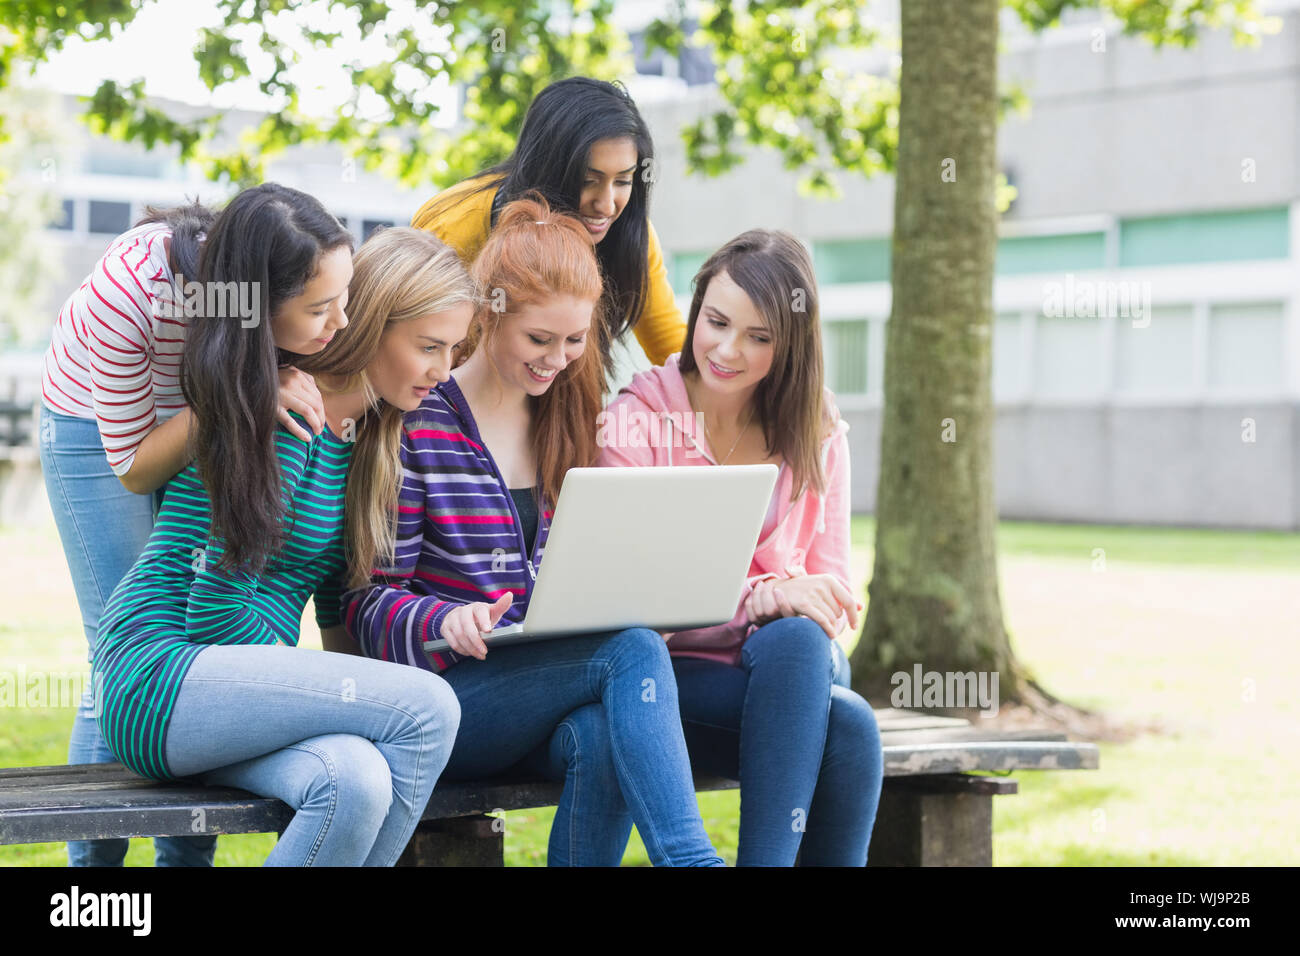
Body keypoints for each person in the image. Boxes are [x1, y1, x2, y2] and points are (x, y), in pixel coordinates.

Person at [92, 185, 468, 866]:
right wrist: (327, 695)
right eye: (429, 347)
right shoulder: (284, 416)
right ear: (377, 327)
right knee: (428, 710)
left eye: (454, 351)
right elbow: (213, 613)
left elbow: (333, 609)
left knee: (354, 780)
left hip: (223, 693)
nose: (445, 374)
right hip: (162, 674)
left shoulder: (365, 438)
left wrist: (335, 691)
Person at [344, 194, 724, 866]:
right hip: (449, 701)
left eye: (575, 341)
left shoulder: (564, 424)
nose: (557, 359)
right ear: (488, 315)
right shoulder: (419, 423)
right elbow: (369, 599)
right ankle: (690, 861)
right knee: (631, 650)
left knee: (608, 729)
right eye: (538, 339)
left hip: (543, 696)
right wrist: (445, 620)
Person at [39, 197, 327, 867]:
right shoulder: (128, 294)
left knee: (197, 650)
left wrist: (254, 382)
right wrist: (243, 392)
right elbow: (136, 465)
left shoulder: (258, 280)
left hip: (205, 406)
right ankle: (94, 883)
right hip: (95, 431)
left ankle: (186, 863)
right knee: (123, 647)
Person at [596, 229, 885, 866]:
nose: (728, 350)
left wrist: (776, 606)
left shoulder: (816, 427)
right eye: (717, 322)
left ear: (791, 346)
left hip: (792, 667)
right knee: (853, 727)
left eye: (759, 337)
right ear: (695, 308)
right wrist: (761, 596)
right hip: (668, 682)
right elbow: (632, 591)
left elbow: (830, 588)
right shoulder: (636, 419)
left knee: (801, 641)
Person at [411, 76, 685, 380]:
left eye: (623, 181)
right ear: (547, 169)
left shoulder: (631, 237)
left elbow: (673, 352)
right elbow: (408, 348)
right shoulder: (453, 226)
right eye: (588, 180)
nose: (607, 206)